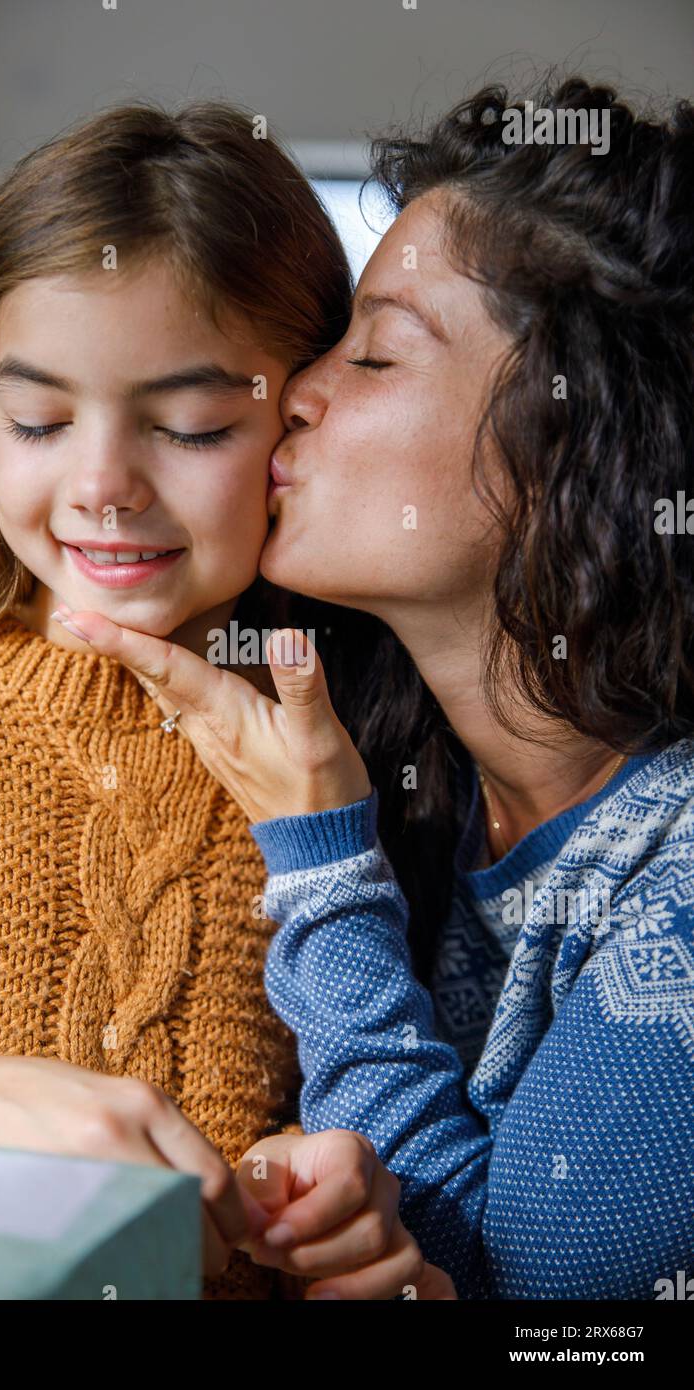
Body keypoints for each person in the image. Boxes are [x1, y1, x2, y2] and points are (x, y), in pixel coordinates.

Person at [60, 77, 694, 1299]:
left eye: (377, 351)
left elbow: (515, 1293)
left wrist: (324, 867)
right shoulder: (387, 749)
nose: (295, 389)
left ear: (578, 445)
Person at [0, 99, 452, 1301]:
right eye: (39, 420)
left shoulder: (367, 738)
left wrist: (313, 1207)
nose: (103, 484)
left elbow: (367, 1121)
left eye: (190, 425)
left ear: (301, 419)